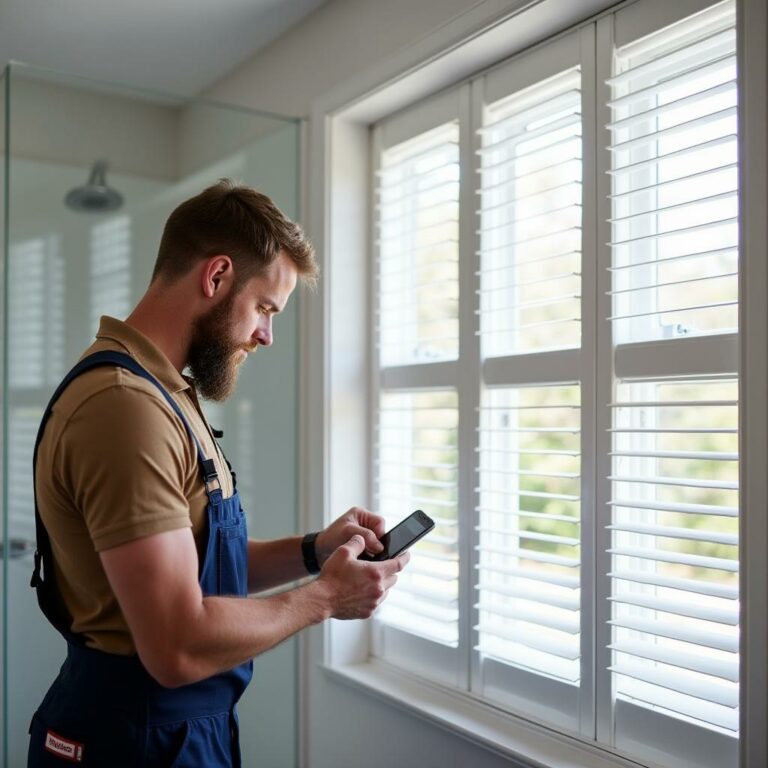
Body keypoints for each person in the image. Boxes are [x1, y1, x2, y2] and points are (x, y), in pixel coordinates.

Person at [27, 179, 408, 767]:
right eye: (264, 308)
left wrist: (315, 550)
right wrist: (325, 597)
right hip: (132, 738)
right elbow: (176, 644)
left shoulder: (168, 395)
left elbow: (198, 564)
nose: (266, 335)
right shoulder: (126, 408)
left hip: (179, 729)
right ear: (217, 276)